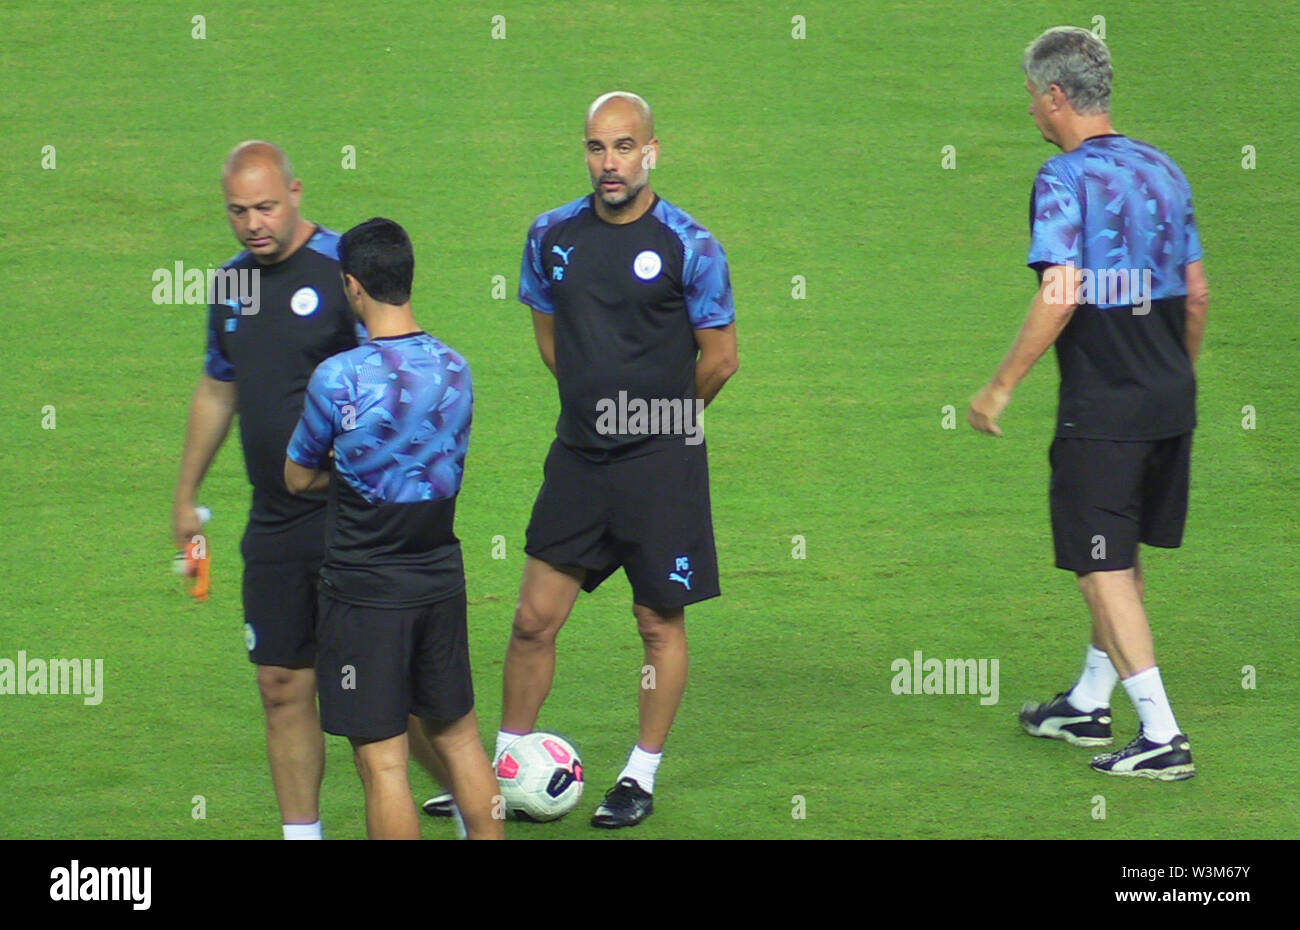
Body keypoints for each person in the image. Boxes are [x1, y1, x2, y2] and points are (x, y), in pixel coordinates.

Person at [172, 142, 452, 839]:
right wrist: (186, 493)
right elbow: (218, 385)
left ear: (296, 191)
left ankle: (474, 809)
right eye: (238, 211)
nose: (253, 224)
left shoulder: (340, 271)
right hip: (273, 523)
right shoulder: (231, 285)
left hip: (345, 518)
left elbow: (397, 366)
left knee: (384, 697)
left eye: (266, 206)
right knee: (279, 685)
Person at [968, 27, 1208, 780]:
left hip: (1105, 406)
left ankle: (1163, 735)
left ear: (1057, 96)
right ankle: (1089, 699)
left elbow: (1062, 289)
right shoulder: (1164, 169)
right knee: (1122, 553)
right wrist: (1171, 374)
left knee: (1099, 564)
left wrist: (1001, 383)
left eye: (1034, 98)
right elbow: (1196, 293)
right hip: (1171, 391)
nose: (1032, 112)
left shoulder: (1065, 177)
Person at [502, 91, 739, 827]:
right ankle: (506, 768)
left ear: (652, 151)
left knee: (657, 623)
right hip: (577, 458)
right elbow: (550, 337)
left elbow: (721, 359)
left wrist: (660, 422)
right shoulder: (549, 235)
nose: (611, 163)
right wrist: (591, 402)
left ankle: (639, 774)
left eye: (626, 146)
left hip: (659, 466)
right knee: (534, 619)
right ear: (585, 153)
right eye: (599, 148)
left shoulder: (690, 245)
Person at [283, 217, 502, 839]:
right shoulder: (456, 369)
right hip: (439, 576)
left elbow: (298, 476)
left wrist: (345, 471)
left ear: (353, 286)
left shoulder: (339, 378)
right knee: (459, 740)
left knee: (383, 762)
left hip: (363, 587)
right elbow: (435, 467)